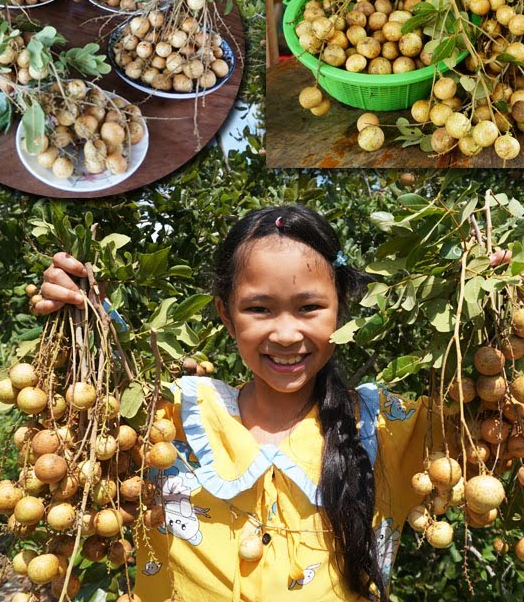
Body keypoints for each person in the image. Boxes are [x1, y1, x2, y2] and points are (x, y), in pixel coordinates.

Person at [38, 205, 433, 601]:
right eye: (259, 309)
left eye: (309, 308)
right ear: (226, 315)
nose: (285, 334)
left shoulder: (382, 427)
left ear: (340, 309)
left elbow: (483, 418)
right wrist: (80, 303)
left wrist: (491, 292)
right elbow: (106, 384)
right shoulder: (170, 422)